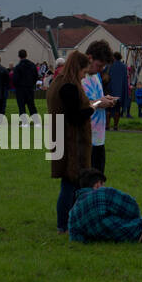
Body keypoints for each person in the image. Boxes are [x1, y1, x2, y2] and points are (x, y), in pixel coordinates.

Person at [48, 51, 96, 233]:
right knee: (69, 184)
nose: (84, 76)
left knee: (72, 185)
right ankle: (63, 225)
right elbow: (75, 117)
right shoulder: (69, 86)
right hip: (71, 142)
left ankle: (71, 222)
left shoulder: (58, 83)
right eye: (84, 72)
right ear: (78, 68)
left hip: (61, 137)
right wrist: (92, 107)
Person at [83, 40, 116, 173]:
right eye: (99, 65)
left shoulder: (95, 75)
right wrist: (99, 103)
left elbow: (95, 100)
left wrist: (105, 100)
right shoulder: (78, 77)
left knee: (98, 183)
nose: (101, 69)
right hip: (85, 140)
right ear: (90, 58)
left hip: (98, 139)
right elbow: (82, 106)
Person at [12, 49, 40, 121]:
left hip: (20, 89)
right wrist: (32, 84)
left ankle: (24, 122)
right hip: (30, 88)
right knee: (31, 105)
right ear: (26, 55)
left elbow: (15, 79)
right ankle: (36, 121)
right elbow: (36, 76)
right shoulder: (32, 65)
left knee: (21, 106)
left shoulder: (18, 67)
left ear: (19, 56)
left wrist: (17, 86)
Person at [107, 52, 129, 130]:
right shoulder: (123, 67)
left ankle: (107, 126)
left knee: (108, 109)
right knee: (117, 109)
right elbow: (125, 80)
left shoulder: (109, 65)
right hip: (119, 91)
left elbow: (106, 78)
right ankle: (115, 126)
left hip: (110, 90)